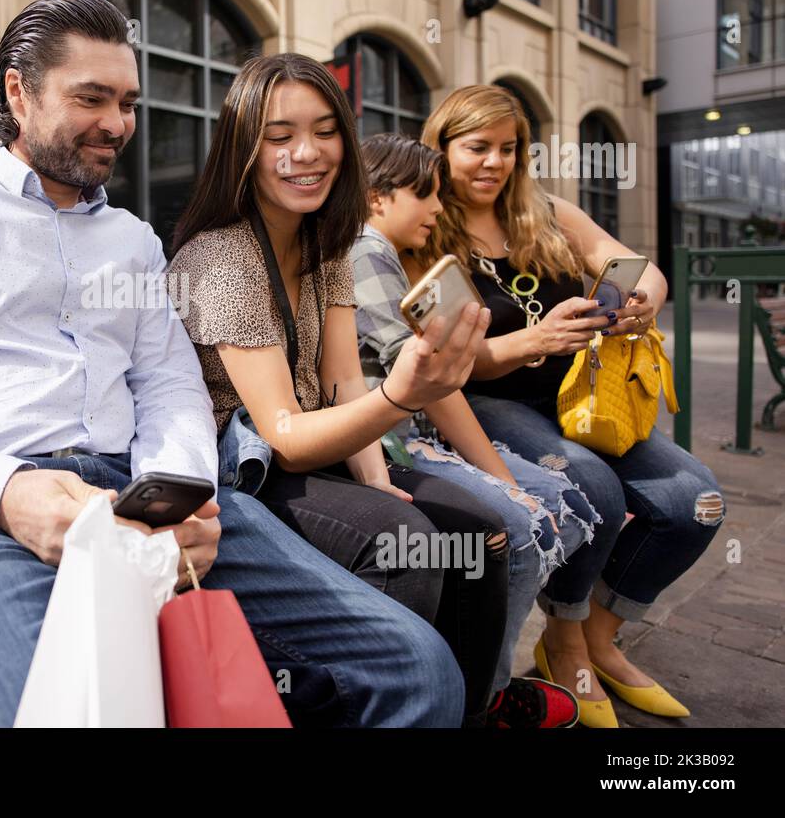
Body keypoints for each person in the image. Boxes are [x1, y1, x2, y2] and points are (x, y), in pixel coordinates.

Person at [0, 0, 465, 728]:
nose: (117, 123)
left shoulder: (134, 241)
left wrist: (176, 492)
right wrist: (6, 491)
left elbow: (170, 386)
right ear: (18, 93)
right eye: (92, 98)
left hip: (140, 498)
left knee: (419, 671)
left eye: (127, 101)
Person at [167, 52, 509, 727]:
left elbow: (344, 377)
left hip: (313, 443)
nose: (308, 152)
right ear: (243, 146)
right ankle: (389, 702)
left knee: (477, 531)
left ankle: (463, 714)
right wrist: (401, 399)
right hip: (241, 473)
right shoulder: (222, 258)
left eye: (326, 130)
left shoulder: (329, 243)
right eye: (279, 135)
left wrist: (375, 475)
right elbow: (284, 437)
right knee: (401, 540)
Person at [417, 84, 726, 726]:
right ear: (442, 149)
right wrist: (534, 339)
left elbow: (627, 263)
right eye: (476, 148)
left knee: (695, 502)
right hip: (486, 399)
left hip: (580, 394)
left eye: (508, 149)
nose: (494, 163)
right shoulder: (423, 230)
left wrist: (641, 297)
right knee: (594, 489)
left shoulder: (544, 210)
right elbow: (446, 363)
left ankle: (599, 639)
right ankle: (563, 638)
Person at [353, 132, 594, 728]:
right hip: (391, 441)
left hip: (406, 434)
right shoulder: (364, 251)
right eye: (425, 195)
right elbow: (433, 386)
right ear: (378, 196)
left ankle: (487, 682)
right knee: (519, 518)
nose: (439, 209)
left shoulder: (377, 253)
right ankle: (482, 696)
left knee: (557, 501)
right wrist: (500, 476)